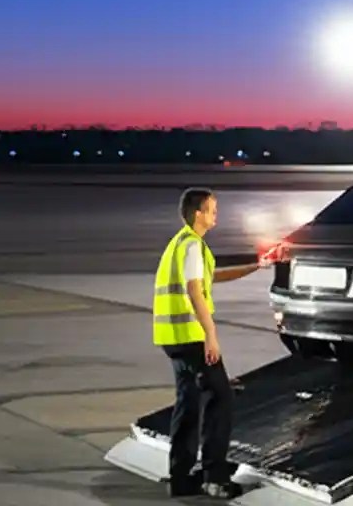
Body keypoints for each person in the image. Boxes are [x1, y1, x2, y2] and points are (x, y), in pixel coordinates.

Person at [152, 187, 264, 499]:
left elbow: (210, 278)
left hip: (172, 338)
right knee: (221, 397)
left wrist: (258, 264)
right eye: (212, 209)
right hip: (190, 337)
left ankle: (180, 478)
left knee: (188, 403)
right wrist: (210, 334)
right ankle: (215, 477)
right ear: (198, 213)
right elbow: (194, 290)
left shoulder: (180, 243)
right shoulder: (192, 245)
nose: (216, 214)